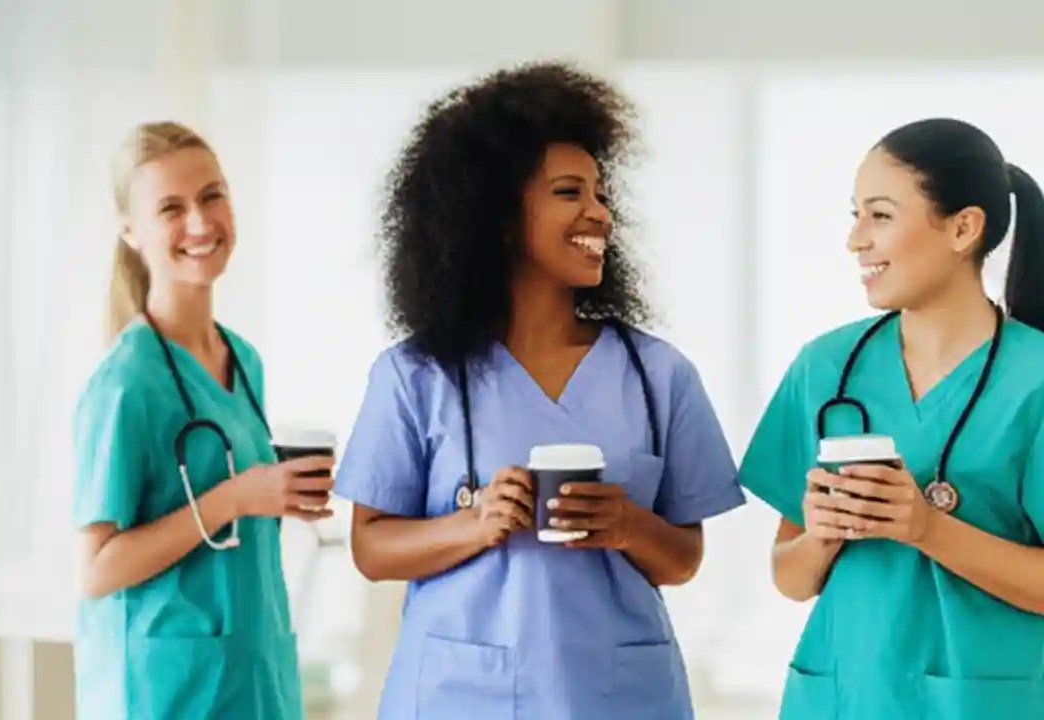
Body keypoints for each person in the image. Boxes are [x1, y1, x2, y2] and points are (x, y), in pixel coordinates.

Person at [333, 62, 746, 719]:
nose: (599, 213)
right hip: (461, 696)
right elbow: (371, 548)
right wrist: (474, 524)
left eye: (602, 194)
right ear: (496, 215)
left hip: (620, 696)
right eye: (569, 191)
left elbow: (683, 558)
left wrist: (626, 524)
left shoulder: (658, 374)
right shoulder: (417, 375)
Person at [740, 117, 1044, 719]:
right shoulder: (825, 368)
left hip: (984, 702)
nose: (856, 239)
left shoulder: (1034, 376)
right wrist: (823, 534)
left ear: (964, 228)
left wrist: (926, 528)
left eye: (879, 215)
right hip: (840, 695)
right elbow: (790, 578)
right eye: (854, 215)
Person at [71, 121, 335, 719]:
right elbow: (95, 569)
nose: (200, 222)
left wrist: (278, 497)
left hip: (253, 676)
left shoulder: (243, 361)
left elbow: (231, 513)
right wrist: (235, 497)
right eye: (171, 207)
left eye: (212, 196)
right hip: (167, 692)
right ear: (131, 232)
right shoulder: (125, 382)